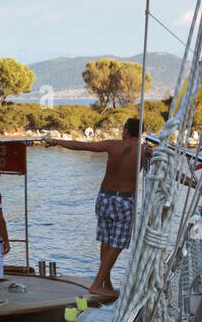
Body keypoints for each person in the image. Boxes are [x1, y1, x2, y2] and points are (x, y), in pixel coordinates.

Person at [45, 117, 148, 302]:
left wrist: (56, 141)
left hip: (104, 197)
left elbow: (81, 145)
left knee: (107, 240)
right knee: (117, 244)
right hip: (124, 200)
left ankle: (105, 284)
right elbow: (169, 172)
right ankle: (97, 284)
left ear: (126, 131)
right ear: (140, 133)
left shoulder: (113, 145)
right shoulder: (144, 151)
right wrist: (196, 185)